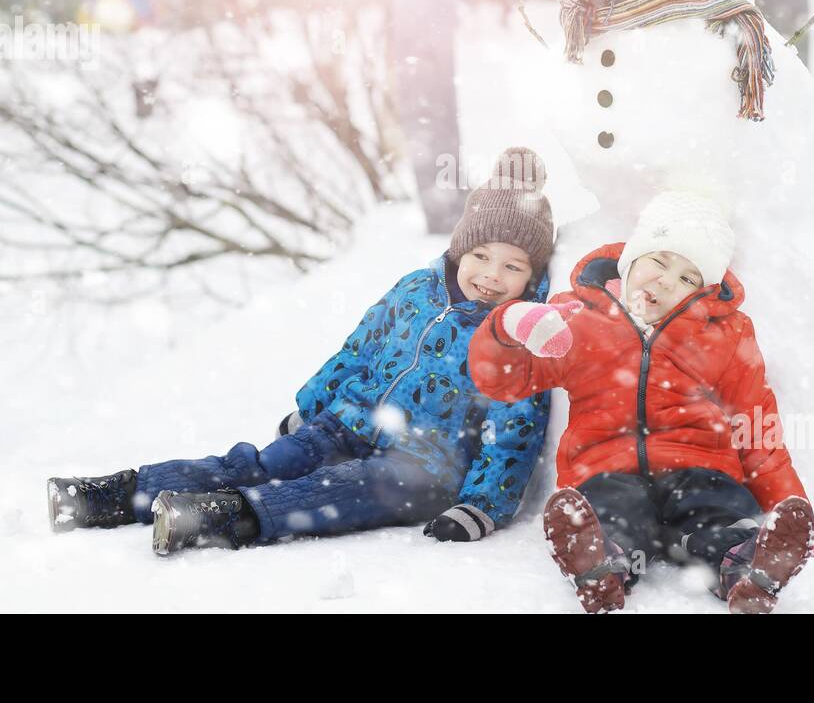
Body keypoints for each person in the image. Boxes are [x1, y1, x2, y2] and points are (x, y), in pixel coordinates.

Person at [48, 148, 555, 556]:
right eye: (481, 256)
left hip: (423, 466)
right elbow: (357, 351)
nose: (491, 275)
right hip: (348, 423)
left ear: (531, 277)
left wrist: (482, 505)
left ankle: (215, 515)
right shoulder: (416, 290)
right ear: (459, 251)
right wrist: (314, 408)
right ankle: (115, 494)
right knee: (268, 459)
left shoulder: (516, 337)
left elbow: (515, 432)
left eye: (512, 267)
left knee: (341, 489)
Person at [469, 191, 814, 613]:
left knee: (716, 517)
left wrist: (791, 507)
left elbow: (757, 428)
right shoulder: (579, 318)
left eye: (688, 279)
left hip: (701, 470)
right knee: (613, 514)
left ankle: (747, 567)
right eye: (659, 262)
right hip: (607, 469)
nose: (665, 281)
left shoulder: (724, 335)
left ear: (705, 292)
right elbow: (503, 382)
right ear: (630, 261)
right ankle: (601, 565)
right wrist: (507, 326)